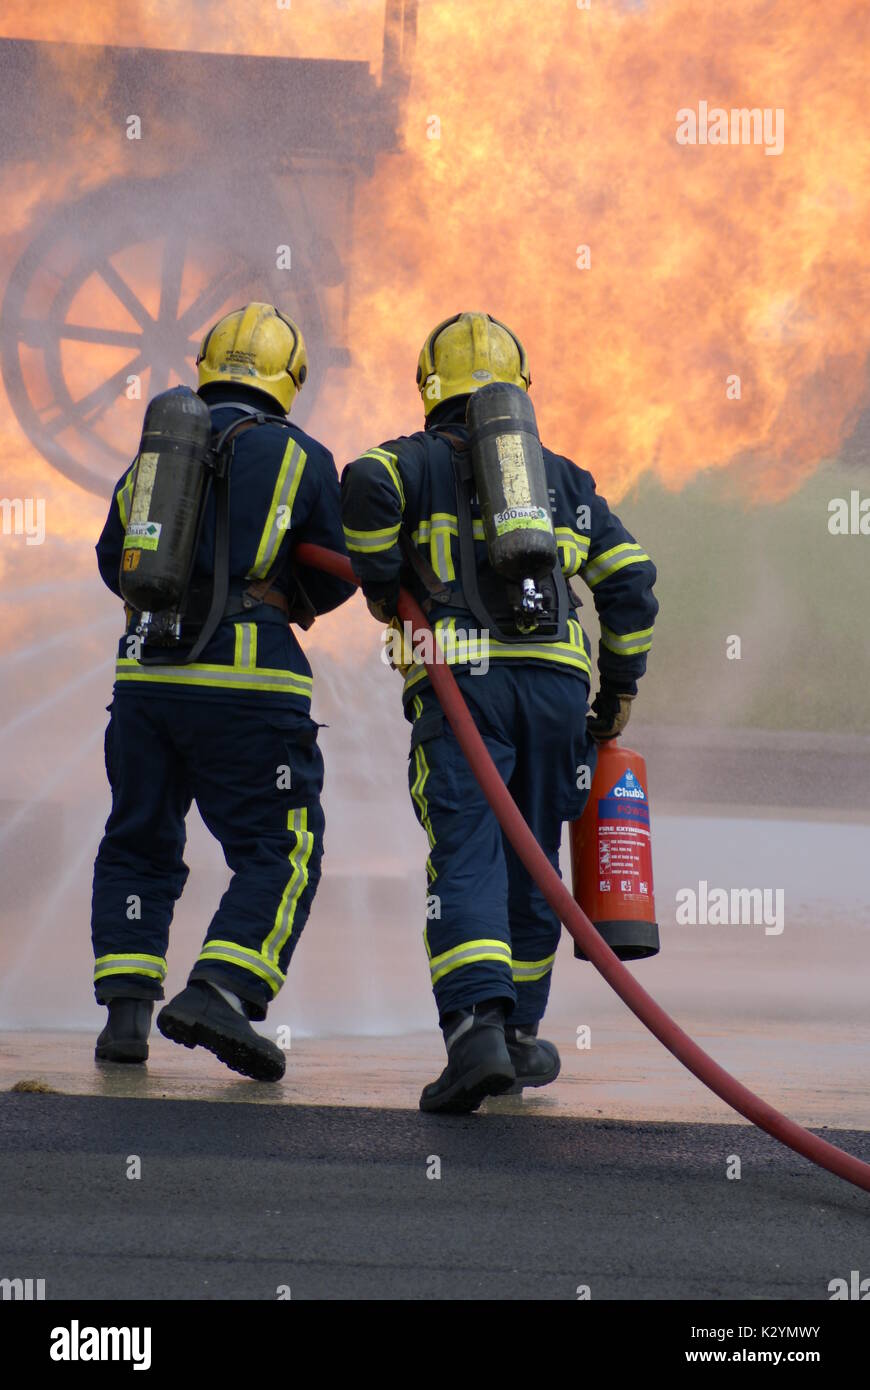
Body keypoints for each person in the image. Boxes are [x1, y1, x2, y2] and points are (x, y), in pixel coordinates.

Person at [341, 311, 657, 1113]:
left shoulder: (411, 462)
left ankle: (475, 1029)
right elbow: (631, 583)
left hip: (465, 685)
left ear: (429, 388)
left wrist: (382, 585)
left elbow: (364, 484)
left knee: (470, 851)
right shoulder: (563, 479)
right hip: (556, 692)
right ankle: (518, 1035)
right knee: (534, 858)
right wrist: (615, 691)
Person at [91, 302, 355, 1081]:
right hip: (249, 688)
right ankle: (222, 988)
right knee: (282, 848)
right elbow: (337, 575)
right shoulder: (303, 458)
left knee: (138, 840)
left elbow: (116, 561)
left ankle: (125, 1019)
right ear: (289, 379)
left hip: (144, 685)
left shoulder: (152, 457)